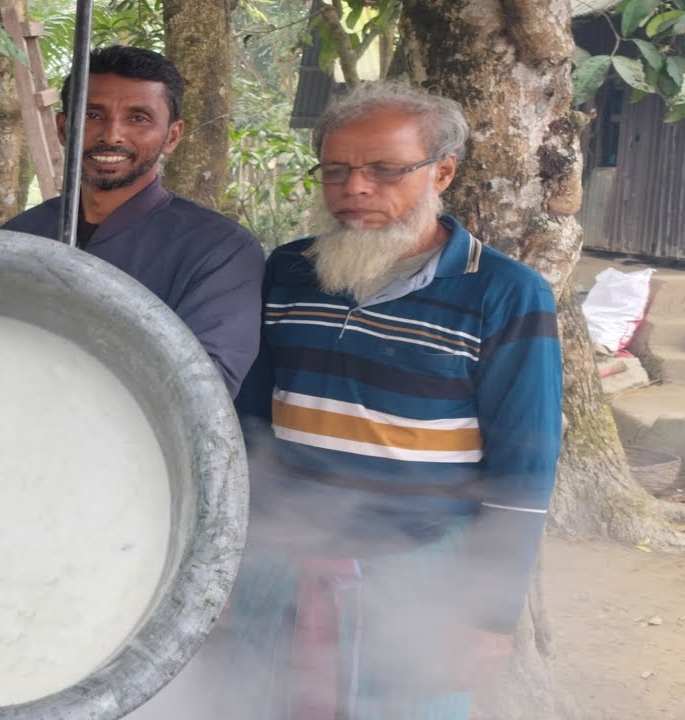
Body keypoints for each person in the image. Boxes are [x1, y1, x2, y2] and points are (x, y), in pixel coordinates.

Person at [230, 81, 563, 719]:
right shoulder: (290, 270)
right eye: (336, 171)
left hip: (421, 571)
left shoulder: (506, 293)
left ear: (442, 171)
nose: (355, 188)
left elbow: (524, 468)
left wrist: (488, 613)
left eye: (384, 170)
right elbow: (251, 422)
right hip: (279, 561)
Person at [3, 45, 264, 397]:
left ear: (172, 136)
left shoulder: (220, 251)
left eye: (138, 118)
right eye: (93, 114)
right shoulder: (20, 236)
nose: (111, 135)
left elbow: (204, 389)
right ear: (64, 129)